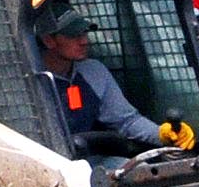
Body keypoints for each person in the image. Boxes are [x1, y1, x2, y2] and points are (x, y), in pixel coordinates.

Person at [34, 19, 168, 158]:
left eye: (84, 33)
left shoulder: (93, 71)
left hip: (89, 159)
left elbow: (127, 121)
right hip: (43, 162)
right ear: (48, 40)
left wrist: (163, 135)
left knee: (136, 172)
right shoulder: (26, 81)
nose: (84, 41)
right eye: (73, 35)